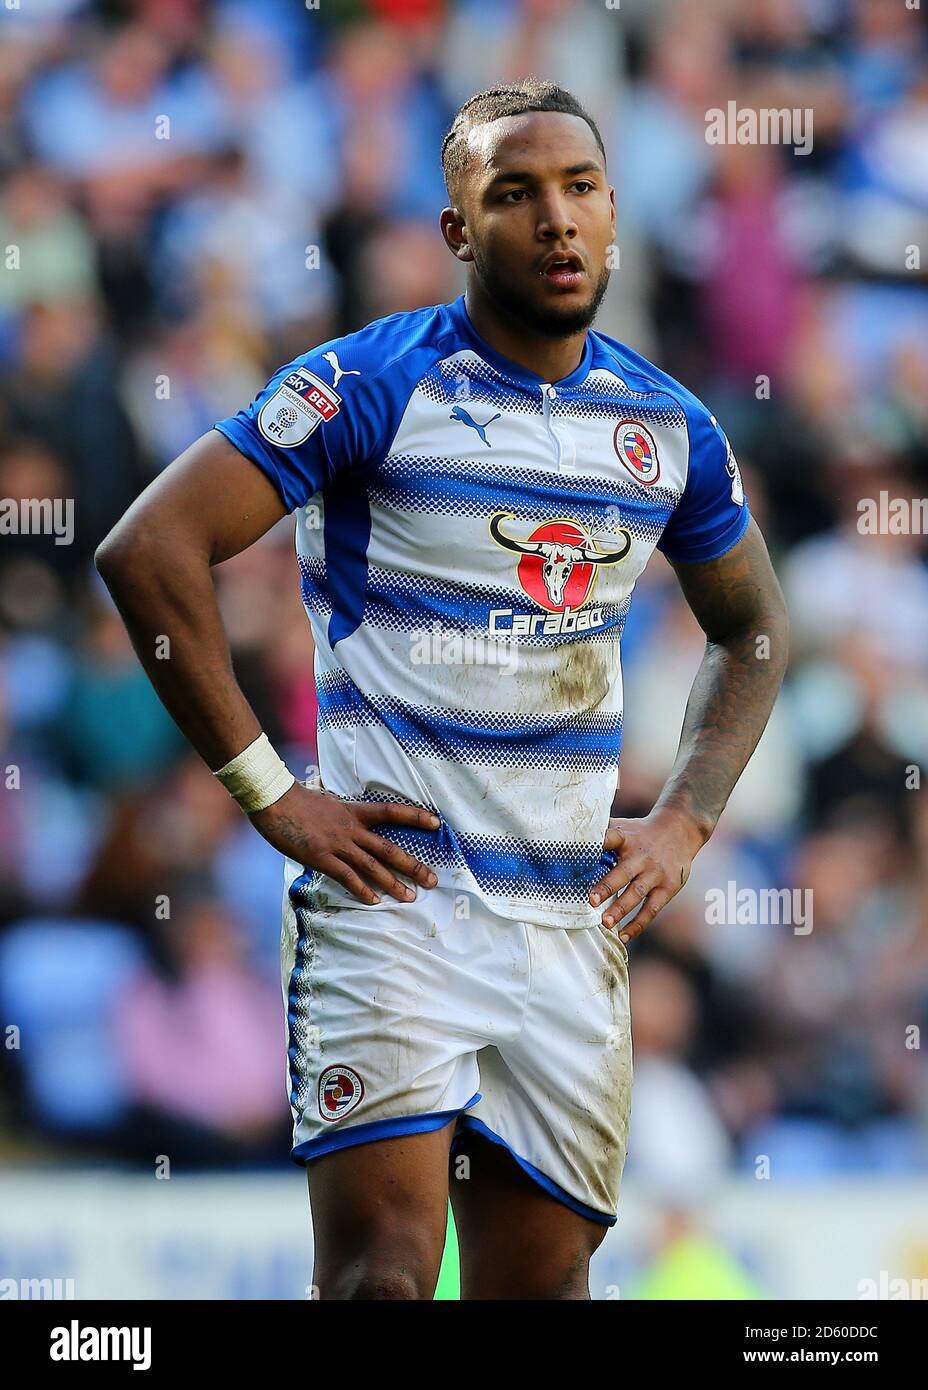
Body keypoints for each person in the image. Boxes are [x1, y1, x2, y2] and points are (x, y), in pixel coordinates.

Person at [96, 78, 788, 1300]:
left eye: (578, 189)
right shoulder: (374, 384)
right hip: (396, 905)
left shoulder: (668, 427)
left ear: (617, 214)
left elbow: (753, 632)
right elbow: (147, 550)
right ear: (459, 230)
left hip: (571, 924)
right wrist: (272, 794)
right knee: (386, 1276)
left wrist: (685, 820)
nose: (556, 220)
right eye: (512, 195)